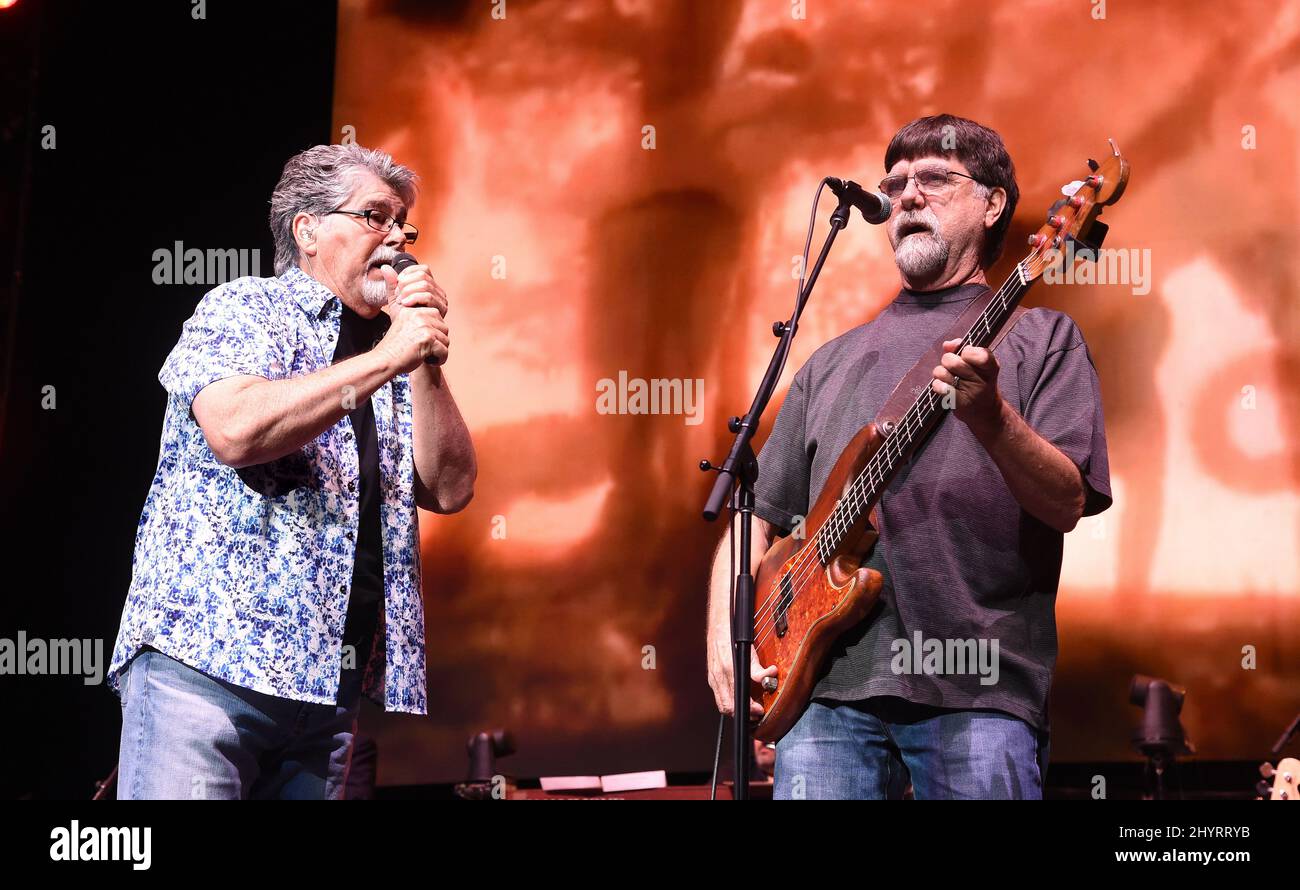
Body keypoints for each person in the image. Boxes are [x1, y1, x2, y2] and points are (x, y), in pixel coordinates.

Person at [705, 114, 1111, 799]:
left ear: (994, 204)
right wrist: (726, 633)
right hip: (825, 699)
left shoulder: (1043, 337)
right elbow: (759, 520)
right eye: (895, 185)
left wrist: (992, 419)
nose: (908, 197)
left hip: (978, 695)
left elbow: (1067, 502)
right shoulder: (829, 362)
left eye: (935, 178)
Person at [107, 144, 476, 799]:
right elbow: (238, 428)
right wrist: (391, 355)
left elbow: (449, 489)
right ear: (308, 229)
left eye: (405, 226)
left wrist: (422, 357)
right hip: (208, 670)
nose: (397, 239)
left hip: (327, 694)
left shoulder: (390, 355)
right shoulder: (247, 307)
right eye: (375, 217)